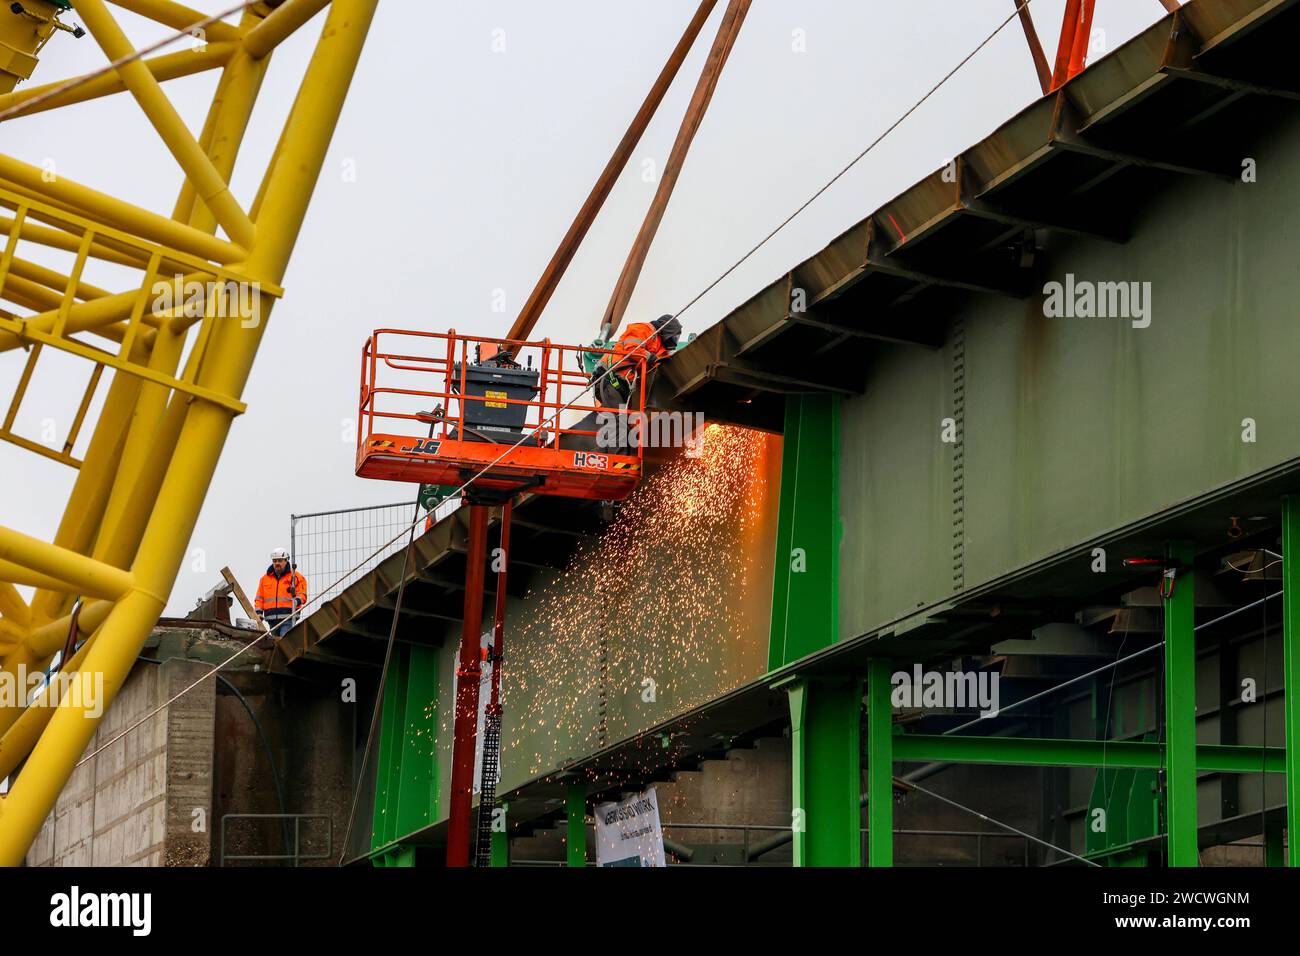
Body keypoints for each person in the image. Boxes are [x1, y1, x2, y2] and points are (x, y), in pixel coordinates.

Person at [595, 313, 682, 409]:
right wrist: (648, 357)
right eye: (674, 336)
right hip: (609, 377)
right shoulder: (645, 329)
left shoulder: (660, 348)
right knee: (616, 420)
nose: (674, 341)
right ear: (667, 331)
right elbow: (631, 348)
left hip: (623, 385)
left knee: (624, 419)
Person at [255, 548, 307, 637]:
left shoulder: (296, 577)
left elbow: (302, 594)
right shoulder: (264, 579)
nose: (277, 563)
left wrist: (297, 601)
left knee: (283, 642)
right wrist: (259, 613)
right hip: (271, 619)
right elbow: (259, 598)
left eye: (280, 561)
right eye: (275, 561)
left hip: (288, 617)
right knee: (276, 644)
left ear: (286, 561)